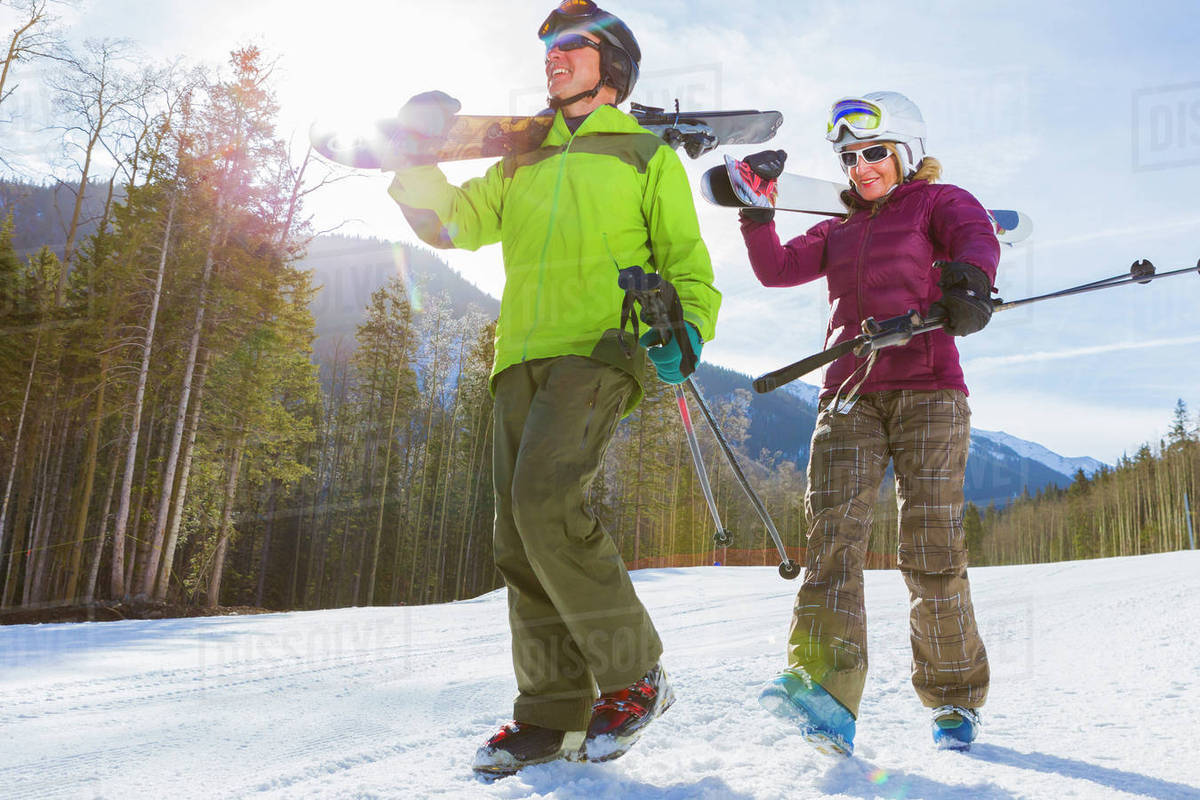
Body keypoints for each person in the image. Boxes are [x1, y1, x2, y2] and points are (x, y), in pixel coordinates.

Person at [384, 0, 720, 776]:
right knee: (517, 535)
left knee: (546, 504)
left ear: (614, 64)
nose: (553, 59)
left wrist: (688, 331)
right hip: (521, 353)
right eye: (548, 51)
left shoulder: (644, 155)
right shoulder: (522, 157)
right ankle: (551, 716)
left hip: (604, 346)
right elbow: (456, 227)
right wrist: (413, 156)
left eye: (571, 47)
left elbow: (687, 261)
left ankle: (636, 676)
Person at [737, 92, 996, 754]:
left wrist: (968, 283)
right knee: (834, 539)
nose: (861, 167)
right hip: (849, 391)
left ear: (906, 152)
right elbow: (775, 269)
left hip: (929, 392)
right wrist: (756, 212)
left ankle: (954, 697)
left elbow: (975, 234)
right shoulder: (839, 228)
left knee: (930, 547)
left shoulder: (937, 203)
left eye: (874, 153)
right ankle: (824, 691)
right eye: (850, 157)